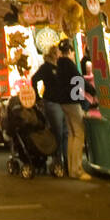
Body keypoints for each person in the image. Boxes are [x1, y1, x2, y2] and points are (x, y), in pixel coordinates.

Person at [57, 40, 92, 181]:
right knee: (78, 134)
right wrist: (93, 91)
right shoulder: (69, 64)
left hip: (64, 102)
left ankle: (72, 169)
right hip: (72, 102)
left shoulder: (59, 65)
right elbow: (79, 80)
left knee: (72, 134)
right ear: (71, 52)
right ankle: (77, 169)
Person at [32, 44, 67, 176]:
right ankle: (57, 159)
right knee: (57, 131)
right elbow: (34, 79)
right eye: (59, 52)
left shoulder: (61, 67)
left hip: (63, 102)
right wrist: (38, 98)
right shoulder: (46, 67)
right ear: (54, 54)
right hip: (52, 102)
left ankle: (65, 159)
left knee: (64, 132)